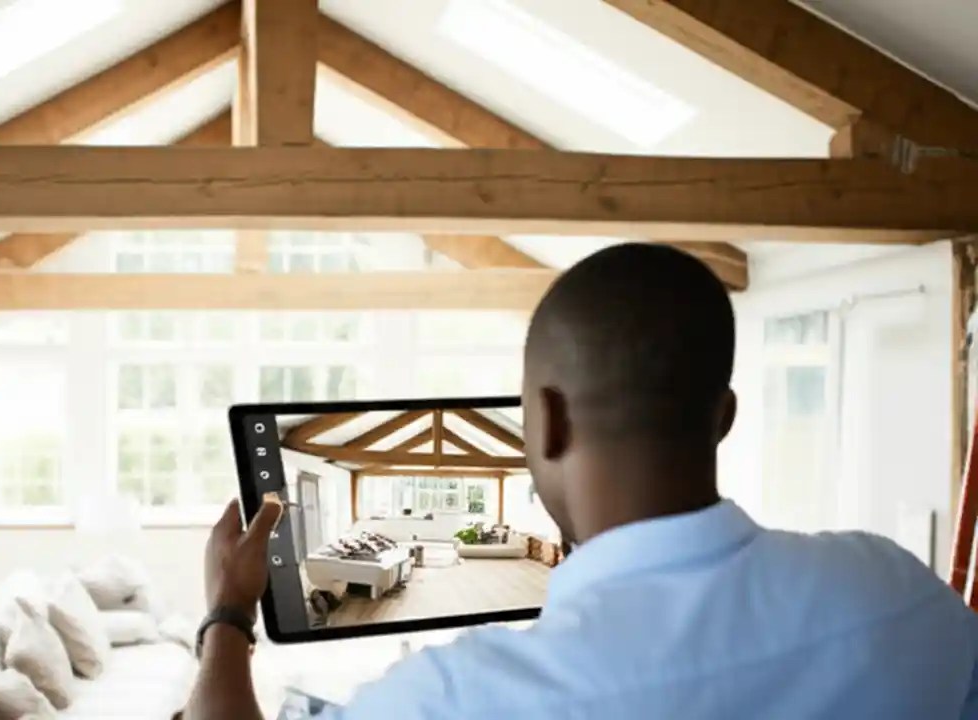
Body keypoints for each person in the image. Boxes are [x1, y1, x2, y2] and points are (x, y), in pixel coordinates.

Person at [189, 244, 978, 719]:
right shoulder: (894, 588)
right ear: (723, 415)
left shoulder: (459, 698)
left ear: (544, 424)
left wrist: (226, 613)